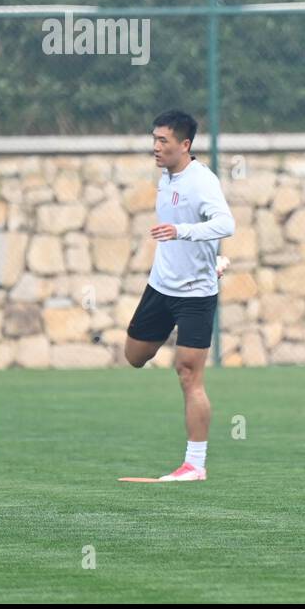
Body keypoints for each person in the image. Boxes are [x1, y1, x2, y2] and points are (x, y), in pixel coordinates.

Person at [124, 110, 235, 482]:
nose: (155, 147)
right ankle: (212, 265)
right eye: (154, 139)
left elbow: (225, 223)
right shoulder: (166, 175)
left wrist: (182, 232)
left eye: (163, 141)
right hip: (160, 286)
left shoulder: (202, 181)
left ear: (184, 145)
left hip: (196, 293)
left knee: (188, 373)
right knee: (135, 356)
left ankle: (194, 465)